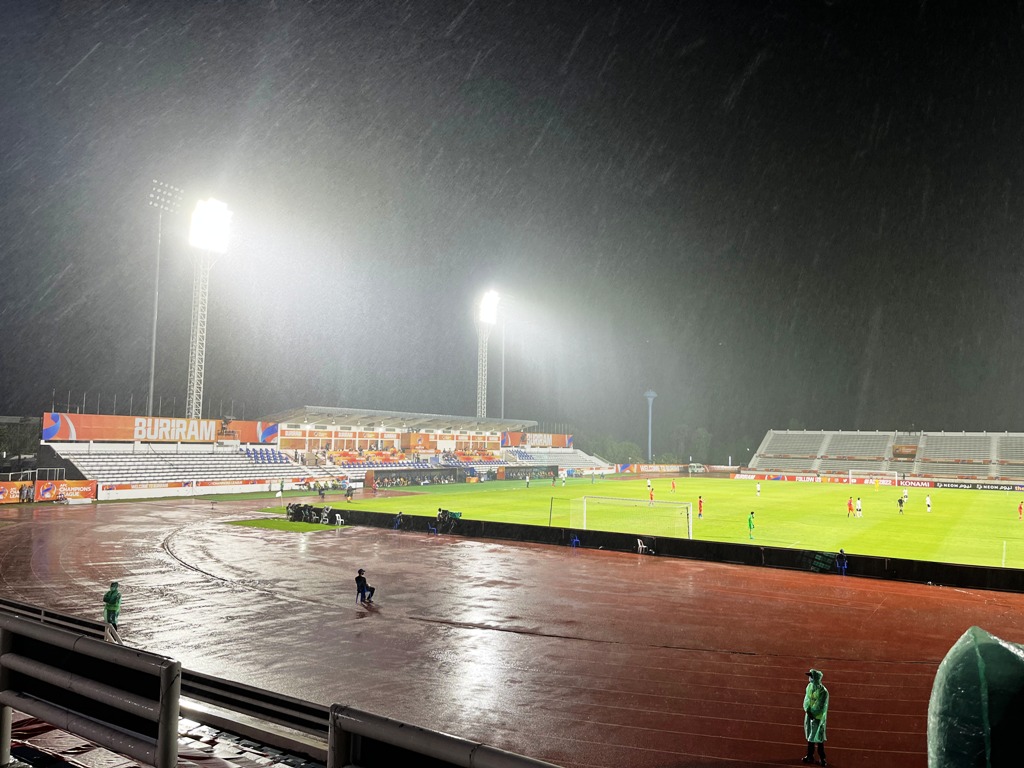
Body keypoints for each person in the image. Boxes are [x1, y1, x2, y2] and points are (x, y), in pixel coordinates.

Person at [802, 668, 829, 765]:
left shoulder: (823, 692)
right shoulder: (809, 687)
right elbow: (807, 699)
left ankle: (822, 758)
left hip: (818, 718)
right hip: (810, 715)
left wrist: (811, 712)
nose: (809, 678)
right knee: (810, 736)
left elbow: (820, 706)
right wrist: (807, 710)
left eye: (811, 676)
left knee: (819, 738)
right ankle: (810, 755)